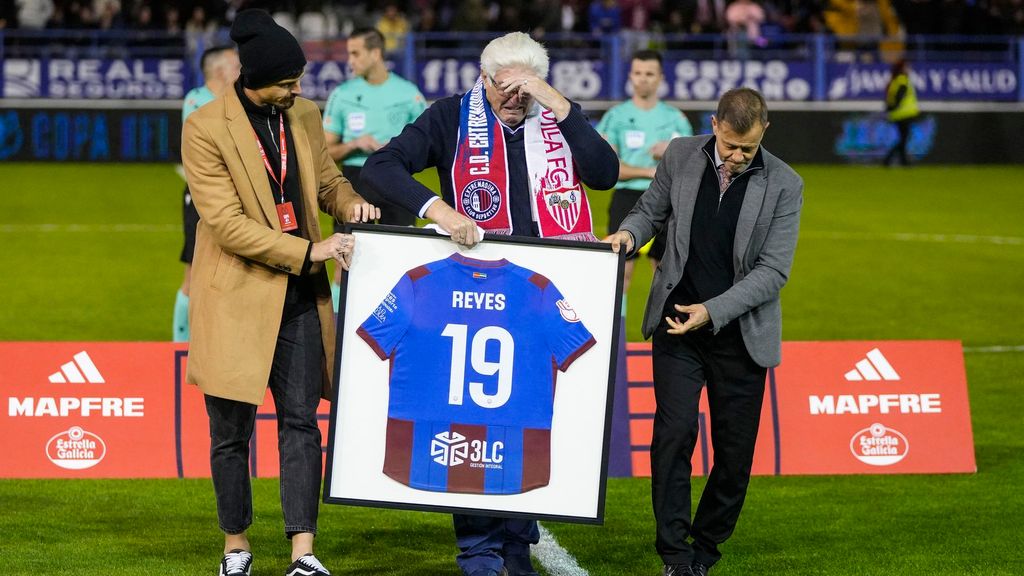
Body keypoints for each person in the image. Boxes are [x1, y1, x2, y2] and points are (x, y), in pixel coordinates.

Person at [362, 31, 618, 576]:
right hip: (471, 297)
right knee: (471, 422)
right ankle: (478, 551)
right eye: (506, 89)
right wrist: (440, 211)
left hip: (537, 298)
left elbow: (604, 175)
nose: (516, 100)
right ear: (483, 79)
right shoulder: (451, 117)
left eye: (527, 91)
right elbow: (379, 169)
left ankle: (517, 544)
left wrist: (560, 106)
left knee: (526, 420)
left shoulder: (557, 117)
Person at [180, 10, 379, 576]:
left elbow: (327, 183)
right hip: (236, 297)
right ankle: (236, 547)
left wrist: (349, 205)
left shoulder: (305, 113)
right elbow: (224, 223)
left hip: (299, 300)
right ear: (253, 77)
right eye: (287, 83)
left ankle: (303, 553)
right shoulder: (205, 127)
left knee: (300, 422)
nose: (298, 90)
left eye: (299, 80)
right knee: (231, 434)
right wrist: (308, 251)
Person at [605, 88, 802, 576]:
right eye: (731, 145)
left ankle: (706, 548)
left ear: (764, 133)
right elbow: (649, 211)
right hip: (676, 324)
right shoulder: (679, 155)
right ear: (714, 125)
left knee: (734, 455)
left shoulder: (785, 184)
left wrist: (712, 311)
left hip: (740, 335)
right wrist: (628, 236)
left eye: (748, 149)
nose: (736, 157)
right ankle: (674, 553)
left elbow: (773, 272)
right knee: (673, 434)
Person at [322, 26, 425, 308]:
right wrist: (355, 143)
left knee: (400, 257)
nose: (350, 61)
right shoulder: (342, 95)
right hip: (355, 181)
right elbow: (325, 151)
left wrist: (396, 150)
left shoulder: (408, 94)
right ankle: (337, 324)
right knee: (347, 257)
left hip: (397, 180)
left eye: (355, 53)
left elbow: (428, 146)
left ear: (375, 53)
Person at [596, 49, 692, 297]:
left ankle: (666, 335)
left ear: (660, 77)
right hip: (626, 197)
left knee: (665, 274)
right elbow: (610, 168)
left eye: (649, 73)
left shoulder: (675, 119)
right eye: (638, 73)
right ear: (630, 76)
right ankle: (617, 337)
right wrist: (652, 171)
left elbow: (691, 168)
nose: (643, 79)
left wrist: (673, 153)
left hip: (667, 201)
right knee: (620, 273)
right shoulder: (615, 117)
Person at [173, 44, 240, 342]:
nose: (241, 68)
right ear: (219, 70)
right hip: (201, 195)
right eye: (235, 64)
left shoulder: (237, 100)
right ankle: (179, 343)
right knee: (193, 270)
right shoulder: (196, 100)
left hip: (234, 195)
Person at [883, 59, 919, 167]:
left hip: (897, 114)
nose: (909, 69)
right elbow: (900, 94)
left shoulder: (893, 81)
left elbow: (890, 98)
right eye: (907, 66)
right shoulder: (903, 79)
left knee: (903, 139)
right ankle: (889, 160)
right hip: (904, 114)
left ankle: (903, 162)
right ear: (902, 68)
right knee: (904, 139)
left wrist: (890, 108)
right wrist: (896, 105)